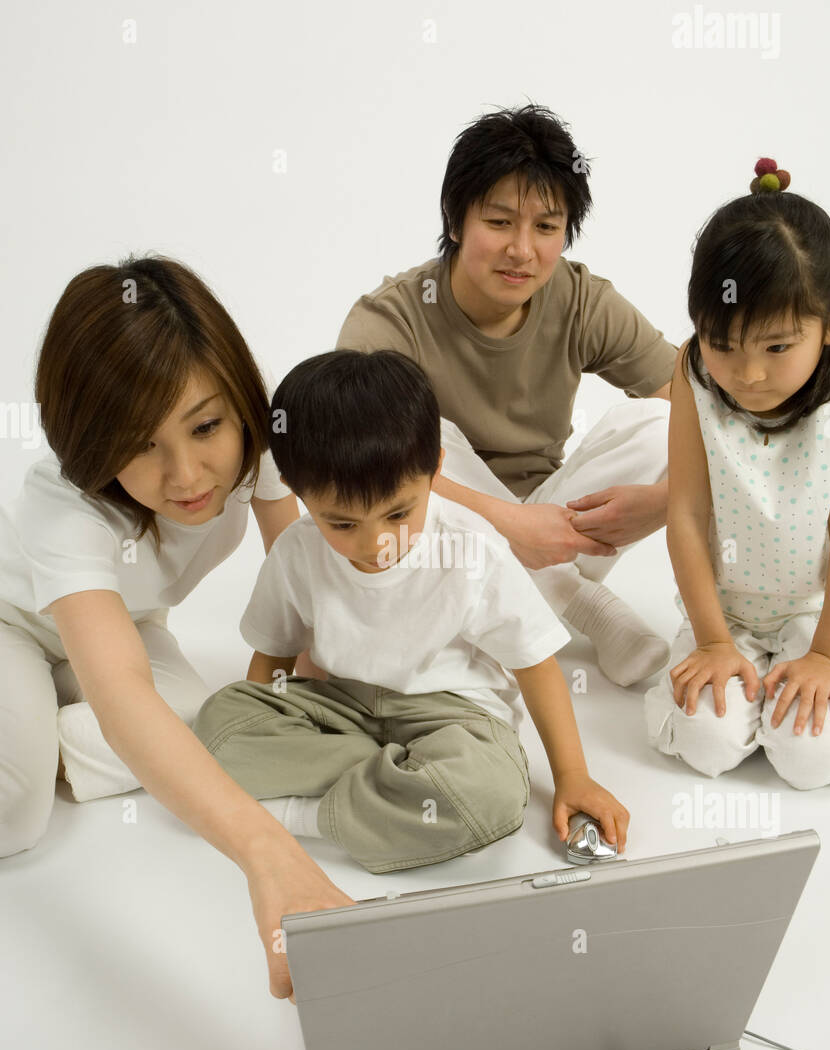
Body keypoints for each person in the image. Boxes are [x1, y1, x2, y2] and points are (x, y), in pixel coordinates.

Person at [0, 255, 352, 999]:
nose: (188, 476)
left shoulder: (254, 452)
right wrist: (267, 851)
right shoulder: (62, 508)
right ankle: (40, 742)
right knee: (17, 813)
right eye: (141, 444)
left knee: (204, 726)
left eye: (205, 427)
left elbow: (294, 567)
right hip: (13, 621)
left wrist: (315, 665)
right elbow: (123, 686)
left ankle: (59, 730)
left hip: (120, 625)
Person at [192, 349, 630, 873]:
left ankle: (307, 816)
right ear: (296, 490)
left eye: (398, 513)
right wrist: (267, 723)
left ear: (434, 470)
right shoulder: (297, 550)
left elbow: (535, 668)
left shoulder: (471, 550)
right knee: (217, 725)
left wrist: (572, 776)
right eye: (343, 524)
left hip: (454, 720)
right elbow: (272, 659)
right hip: (345, 709)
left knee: (488, 793)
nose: (376, 542)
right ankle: (391, 788)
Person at [336, 103, 677, 687]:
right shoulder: (390, 317)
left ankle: (514, 614)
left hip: (560, 522)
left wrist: (664, 501)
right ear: (455, 220)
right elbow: (353, 464)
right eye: (499, 222)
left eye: (545, 227)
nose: (523, 249)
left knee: (664, 423)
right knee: (415, 437)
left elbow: (700, 407)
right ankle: (581, 606)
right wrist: (511, 526)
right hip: (437, 544)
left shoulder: (580, 299)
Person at [645, 159, 830, 788]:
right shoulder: (693, 373)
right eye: (723, 343)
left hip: (819, 610)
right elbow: (686, 513)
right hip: (727, 610)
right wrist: (713, 641)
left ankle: (792, 694)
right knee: (708, 745)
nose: (748, 374)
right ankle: (743, 693)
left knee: (810, 761)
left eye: (776, 347)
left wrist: (825, 655)